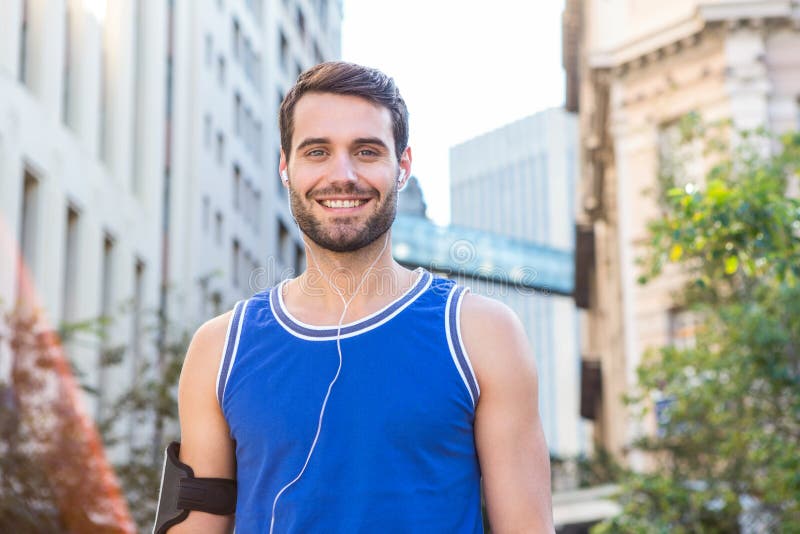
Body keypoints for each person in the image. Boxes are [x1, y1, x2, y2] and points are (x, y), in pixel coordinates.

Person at [166, 61, 553, 533]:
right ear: (286, 168)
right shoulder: (218, 349)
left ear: (402, 166)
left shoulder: (483, 334)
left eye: (367, 151)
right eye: (317, 152)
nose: (342, 174)